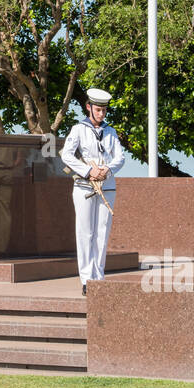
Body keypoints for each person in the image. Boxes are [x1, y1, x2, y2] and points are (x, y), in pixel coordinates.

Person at [60, 88, 126, 295]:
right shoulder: (79, 129)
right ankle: (87, 279)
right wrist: (89, 171)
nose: (101, 114)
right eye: (98, 110)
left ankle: (99, 277)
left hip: (106, 186)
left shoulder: (111, 131)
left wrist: (106, 169)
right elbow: (67, 156)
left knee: (102, 233)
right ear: (89, 107)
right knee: (85, 233)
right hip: (84, 186)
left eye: (104, 110)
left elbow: (120, 157)